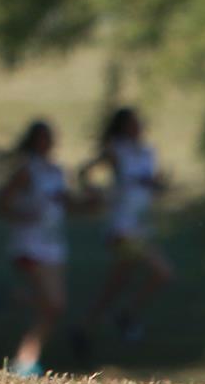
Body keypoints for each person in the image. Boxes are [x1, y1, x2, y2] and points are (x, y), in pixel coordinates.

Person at [71, 106, 172, 357]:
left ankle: (84, 327)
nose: (137, 127)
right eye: (132, 123)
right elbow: (85, 171)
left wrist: (159, 185)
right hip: (122, 228)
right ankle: (126, 315)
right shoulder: (117, 151)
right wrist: (95, 192)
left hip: (140, 225)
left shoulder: (147, 152)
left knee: (115, 285)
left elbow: (148, 185)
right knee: (162, 272)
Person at [0, 119, 75, 377]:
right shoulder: (27, 171)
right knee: (51, 303)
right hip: (29, 245)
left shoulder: (56, 171)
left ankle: (27, 359)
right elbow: (1, 204)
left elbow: (67, 205)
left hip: (53, 245)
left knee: (56, 306)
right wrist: (24, 215)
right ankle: (24, 358)